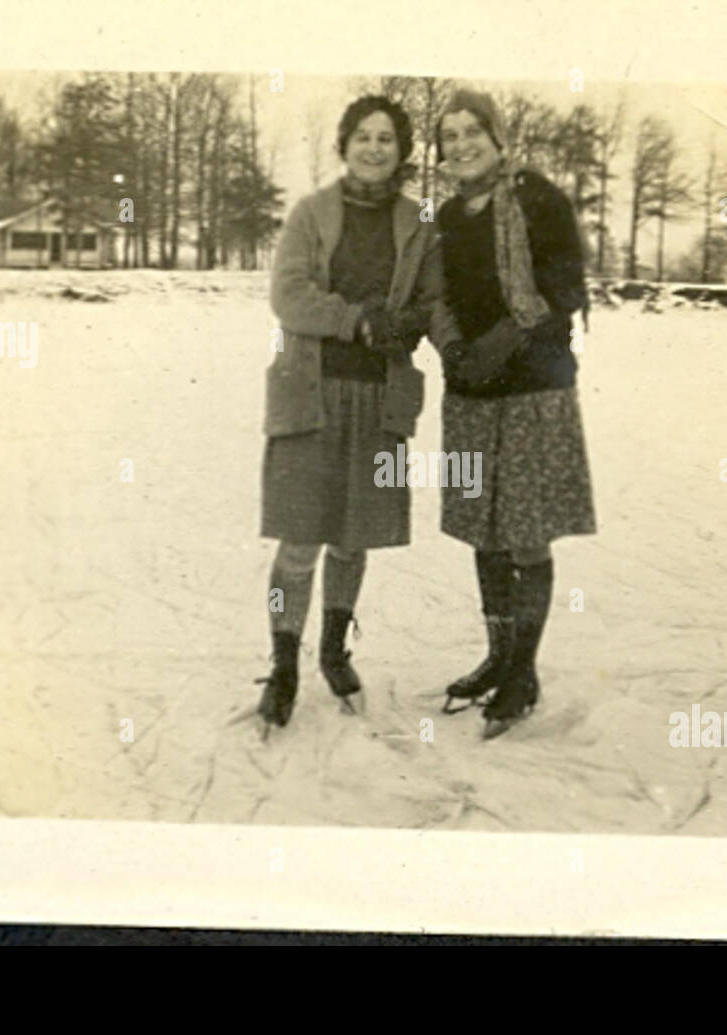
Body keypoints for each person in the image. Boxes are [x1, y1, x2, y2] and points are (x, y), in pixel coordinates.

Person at [256, 95, 455, 734]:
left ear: (402, 152)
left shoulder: (419, 222)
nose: (374, 148)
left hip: (379, 402)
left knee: (353, 537)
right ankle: (284, 663)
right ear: (343, 146)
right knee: (299, 541)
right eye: (363, 137)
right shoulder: (311, 214)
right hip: (310, 399)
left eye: (387, 139)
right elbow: (288, 297)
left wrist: (414, 324)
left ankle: (333, 650)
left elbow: (432, 300)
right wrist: (357, 319)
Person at [433, 89, 597, 739]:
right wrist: (454, 348)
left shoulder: (537, 197)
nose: (462, 143)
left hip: (534, 387)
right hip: (471, 390)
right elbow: (435, 290)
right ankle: (498, 656)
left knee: (526, 530)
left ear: (499, 137)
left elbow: (563, 285)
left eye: (475, 130)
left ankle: (523, 671)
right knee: (484, 526)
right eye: (450, 136)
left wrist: (504, 339)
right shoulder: (446, 212)